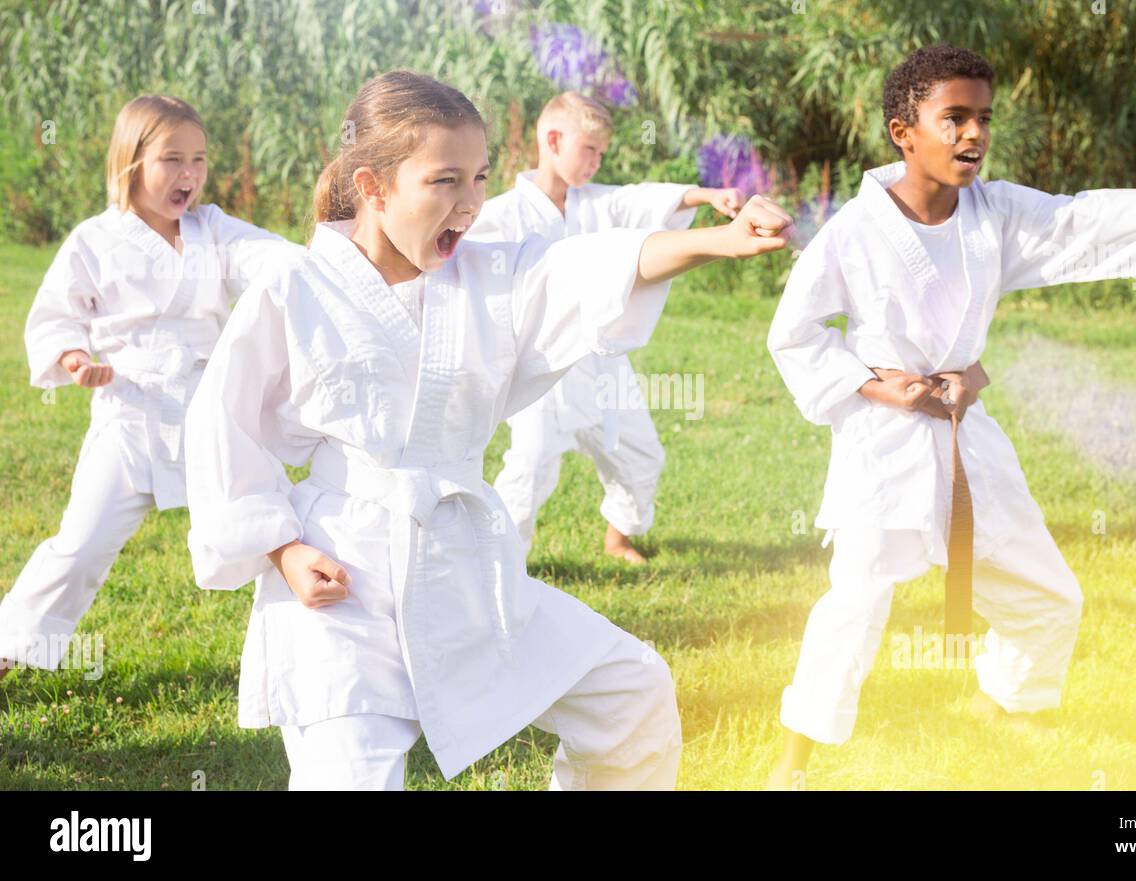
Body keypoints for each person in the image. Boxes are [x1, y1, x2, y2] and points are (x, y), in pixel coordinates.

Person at [183, 70, 792, 790]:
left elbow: (588, 269)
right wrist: (280, 548)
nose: (471, 205)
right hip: (342, 582)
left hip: (464, 569)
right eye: (444, 181)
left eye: (477, 178)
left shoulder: (490, 277)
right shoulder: (296, 290)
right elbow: (220, 423)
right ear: (374, 186)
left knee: (632, 694)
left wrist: (720, 240)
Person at [764, 43, 1136, 789]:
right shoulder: (855, 231)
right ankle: (793, 762)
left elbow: (1088, 221)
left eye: (982, 118)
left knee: (1050, 595)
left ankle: (1005, 706)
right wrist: (881, 388)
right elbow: (791, 333)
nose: (973, 135)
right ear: (902, 131)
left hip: (963, 433)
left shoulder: (996, 212)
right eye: (953, 118)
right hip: (883, 445)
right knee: (853, 604)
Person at [0, 95, 284, 682]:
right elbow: (56, 316)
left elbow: (272, 259)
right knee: (79, 546)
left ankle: (304, 653)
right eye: (172, 160)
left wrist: (329, 259)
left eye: (200, 160)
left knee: (272, 526)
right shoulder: (95, 240)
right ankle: (7, 647)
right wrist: (76, 358)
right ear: (131, 162)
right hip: (129, 414)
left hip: (210, 413)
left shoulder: (213, 231)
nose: (190, 176)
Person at [468, 90, 745, 564]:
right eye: (589, 150)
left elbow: (638, 201)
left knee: (641, 456)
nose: (596, 162)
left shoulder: (594, 204)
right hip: (540, 372)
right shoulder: (499, 216)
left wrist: (707, 195)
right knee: (530, 469)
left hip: (601, 364)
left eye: (602, 153)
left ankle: (619, 539)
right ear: (553, 139)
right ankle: (502, 562)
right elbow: (470, 281)